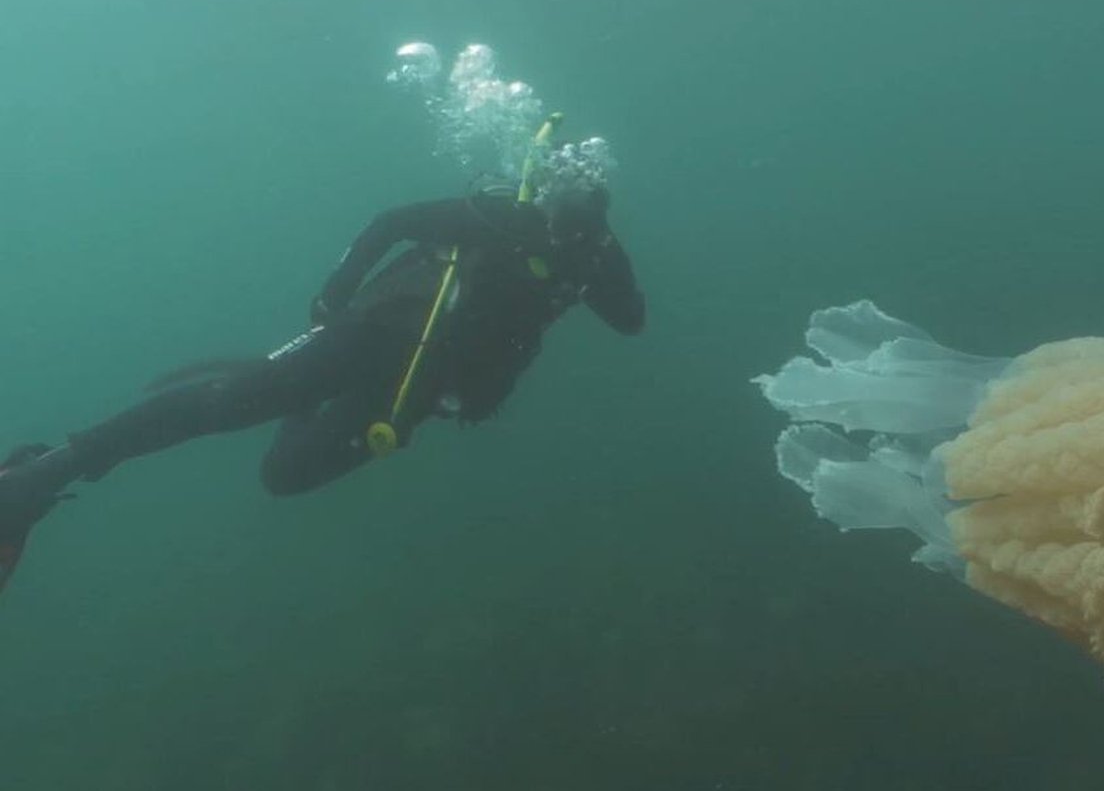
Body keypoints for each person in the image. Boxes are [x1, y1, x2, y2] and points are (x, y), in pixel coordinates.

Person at [0, 165, 644, 589]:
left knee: (285, 476)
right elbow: (391, 221)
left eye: (581, 221)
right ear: (546, 198)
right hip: (376, 331)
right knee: (228, 403)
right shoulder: (501, 216)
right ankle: (45, 473)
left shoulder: (592, 261)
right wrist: (333, 296)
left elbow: (631, 322)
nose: (564, 228)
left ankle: (289, 394)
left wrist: (601, 259)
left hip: (414, 394)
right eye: (561, 213)